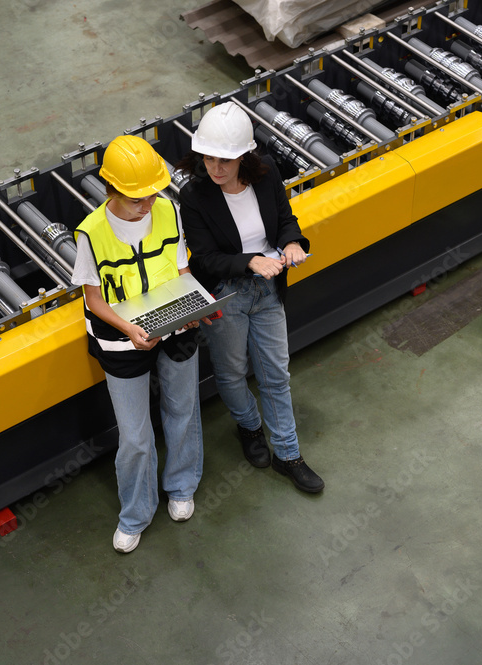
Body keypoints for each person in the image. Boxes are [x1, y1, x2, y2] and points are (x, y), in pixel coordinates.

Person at [177, 101, 324, 494]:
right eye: (208, 158)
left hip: (268, 290)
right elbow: (204, 257)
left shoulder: (267, 173)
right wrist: (250, 262)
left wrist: (291, 242)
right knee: (231, 373)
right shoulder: (194, 196)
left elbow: (286, 219)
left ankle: (288, 455)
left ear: (244, 155)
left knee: (276, 375)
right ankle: (249, 426)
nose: (215, 168)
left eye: (224, 160)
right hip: (226, 295)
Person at [72, 135, 204, 553]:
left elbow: (181, 268)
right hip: (120, 338)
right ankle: (136, 514)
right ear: (111, 189)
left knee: (183, 410)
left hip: (175, 324)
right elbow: (94, 299)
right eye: (136, 199)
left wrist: (195, 303)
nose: (147, 204)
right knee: (134, 436)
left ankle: (181, 486)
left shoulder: (168, 210)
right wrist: (130, 330)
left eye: (152, 194)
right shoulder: (92, 233)